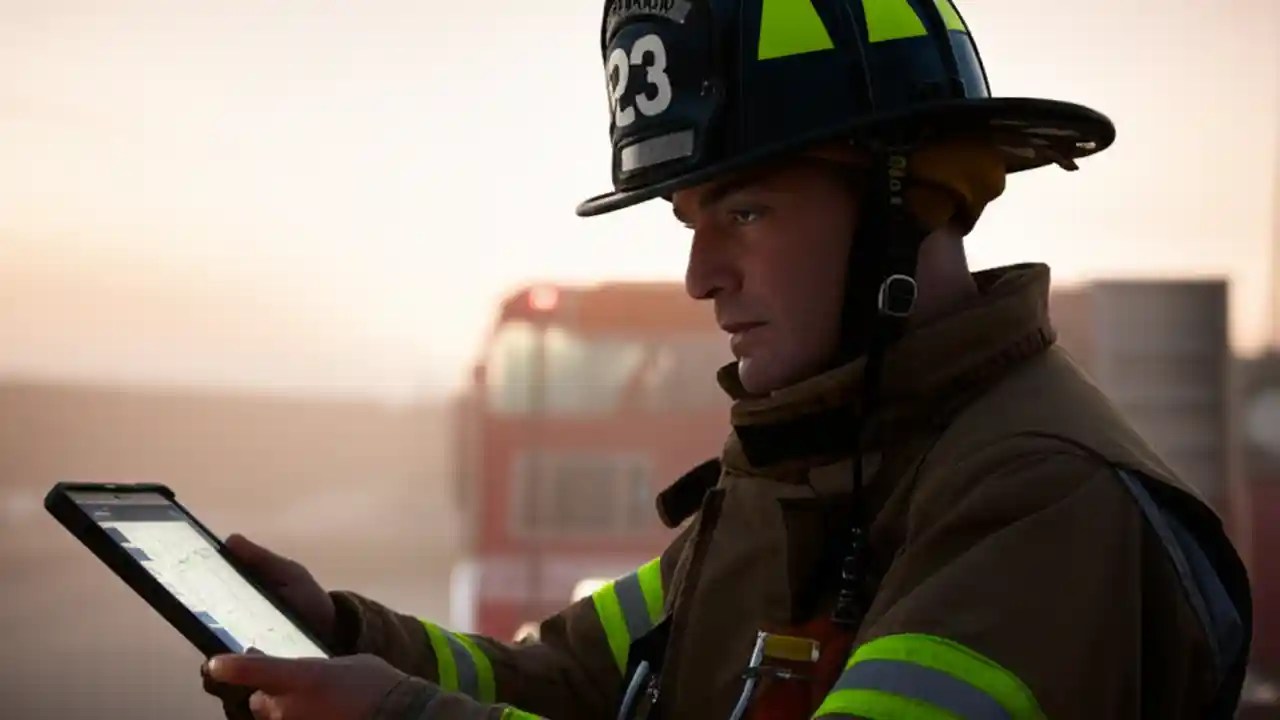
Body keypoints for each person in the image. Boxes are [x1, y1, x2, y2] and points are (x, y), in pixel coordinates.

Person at [202, 0, 1254, 718]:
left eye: (744, 211)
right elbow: (552, 682)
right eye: (688, 220)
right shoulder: (802, 473)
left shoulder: (1037, 501)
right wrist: (337, 633)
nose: (700, 275)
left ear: (908, 202)